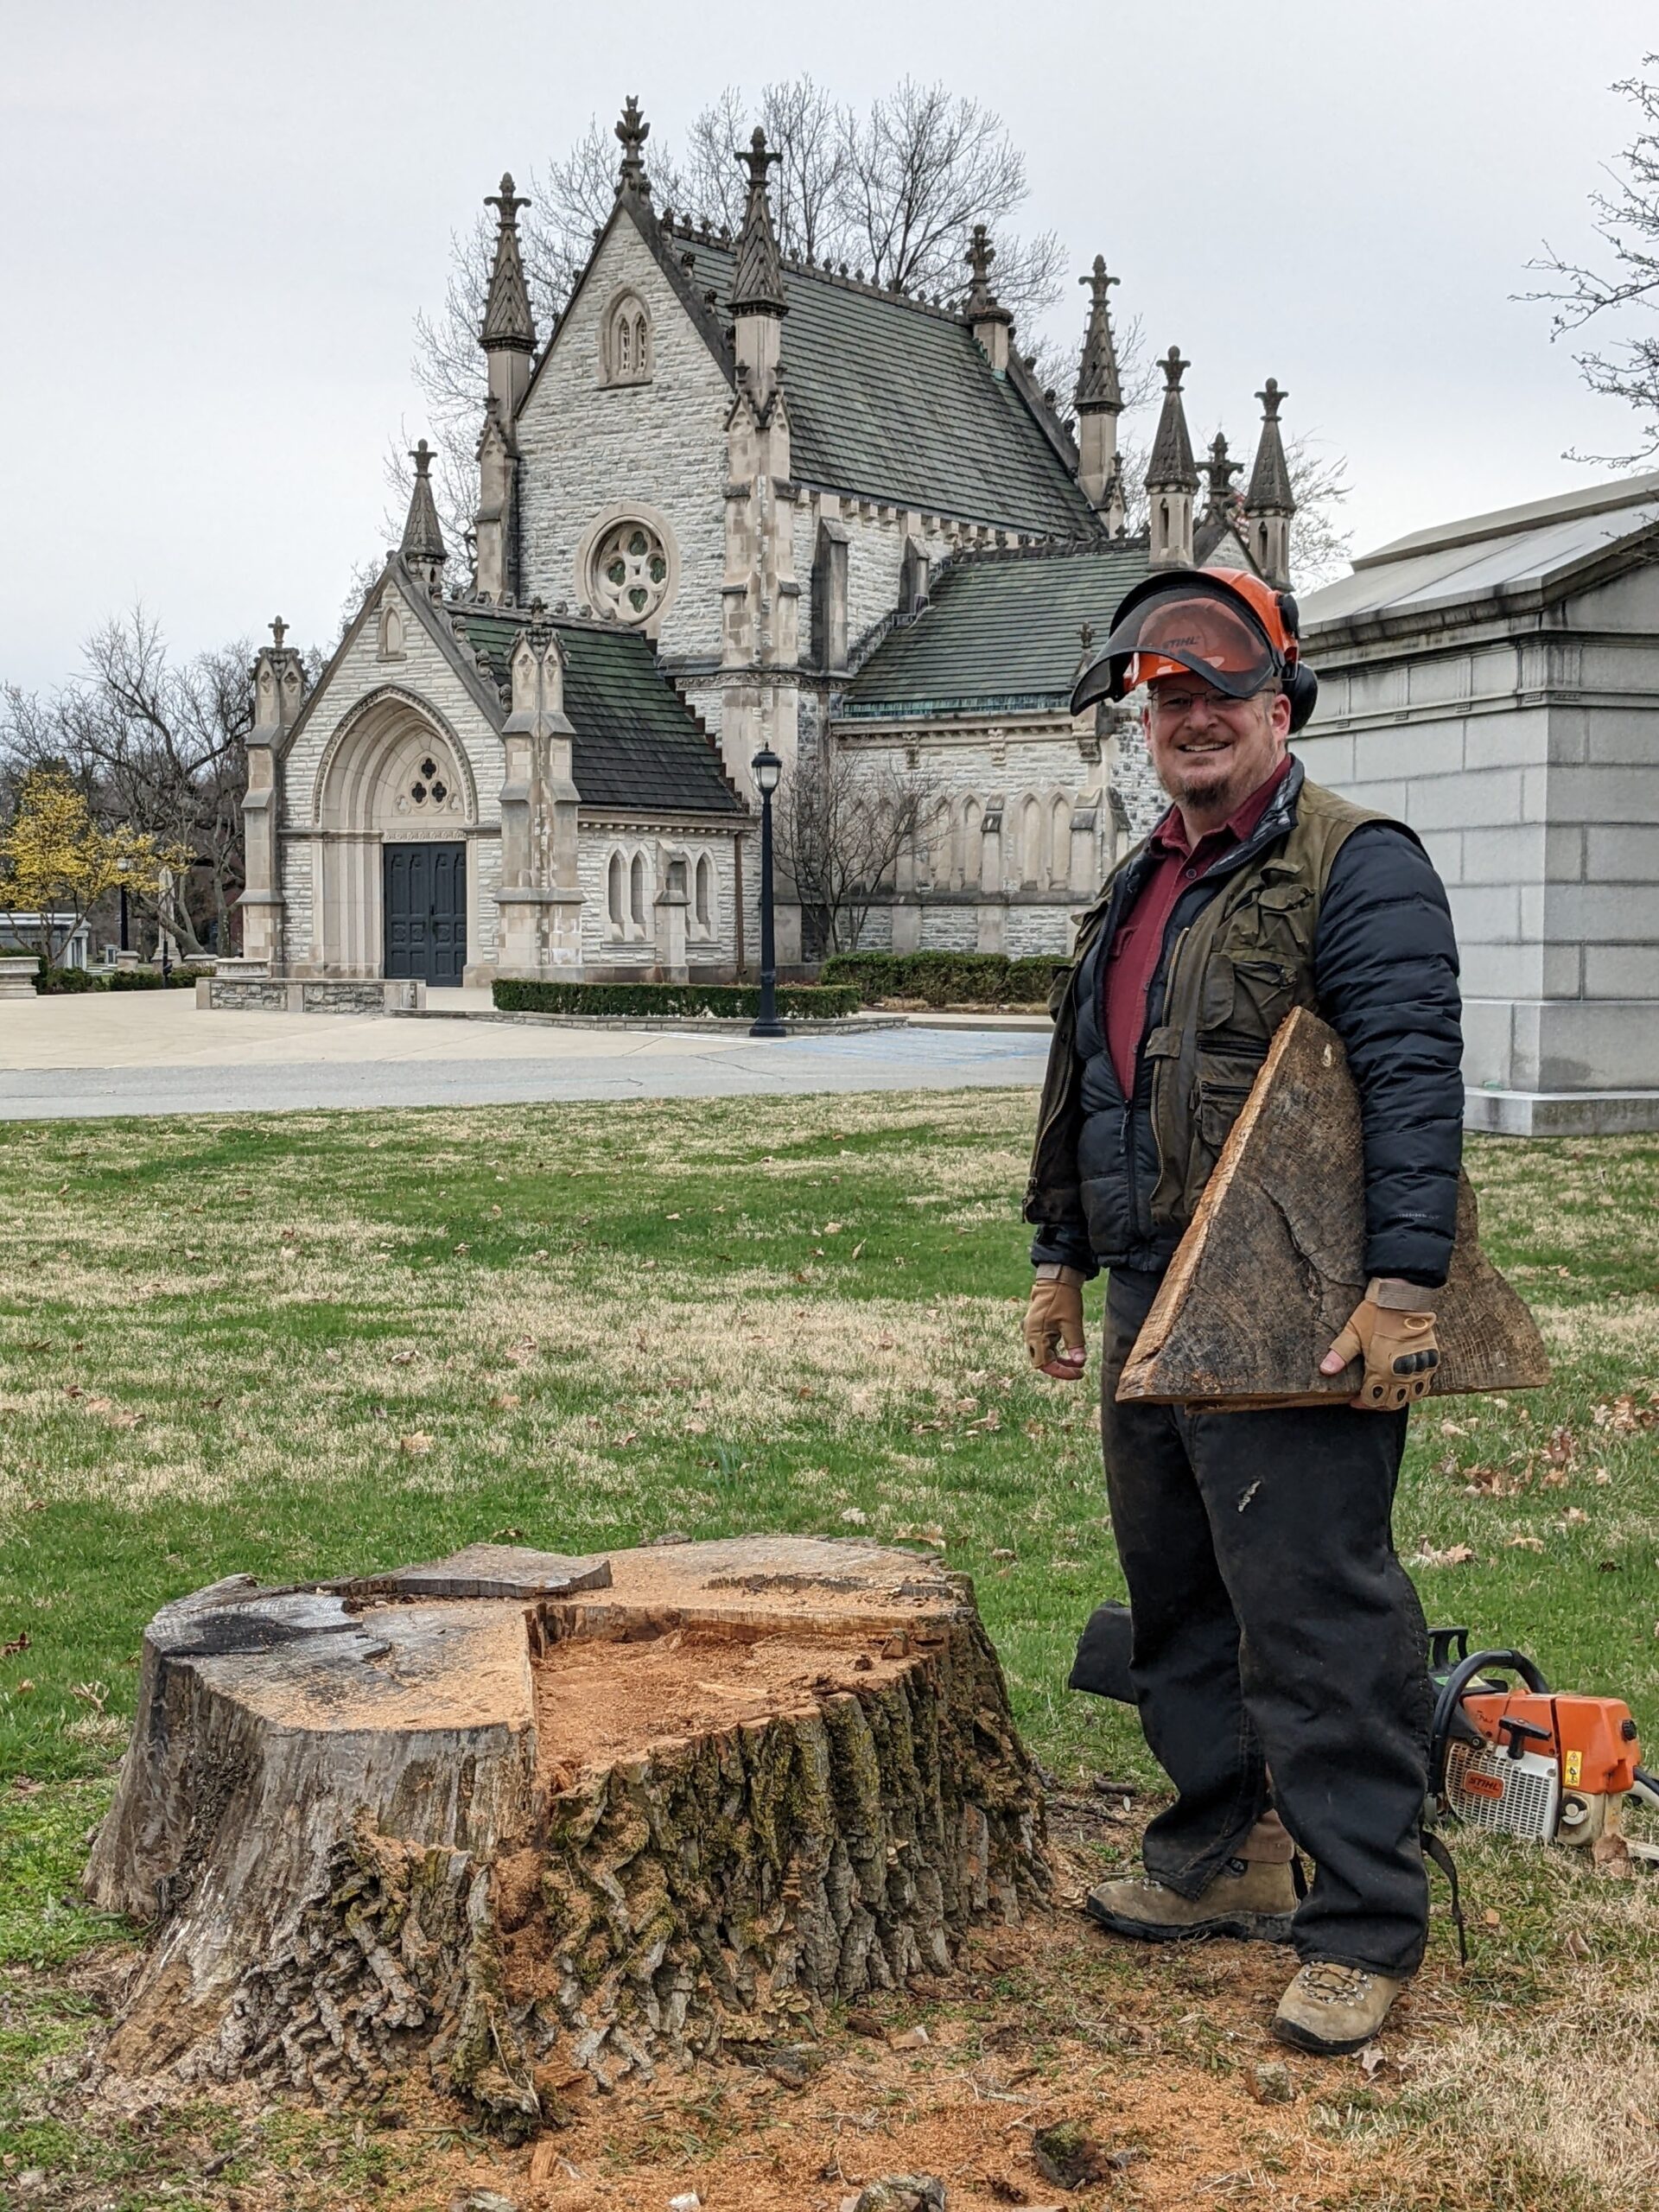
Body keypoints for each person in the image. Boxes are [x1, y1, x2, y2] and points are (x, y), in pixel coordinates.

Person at [1022, 567, 1462, 2056]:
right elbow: (1093, 1078)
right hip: (1153, 1290)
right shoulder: (1143, 876)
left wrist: (1405, 1285)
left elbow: (1408, 1081)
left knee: (1316, 1609)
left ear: (1281, 708)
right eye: (1164, 698)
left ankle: (1362, 1923)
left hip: (1294, 1305)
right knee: (1181, 1594)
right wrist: (1056, 1255)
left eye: (1217, 692)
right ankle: (1226, 1849)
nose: (1190, 717)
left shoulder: (1361, 864)